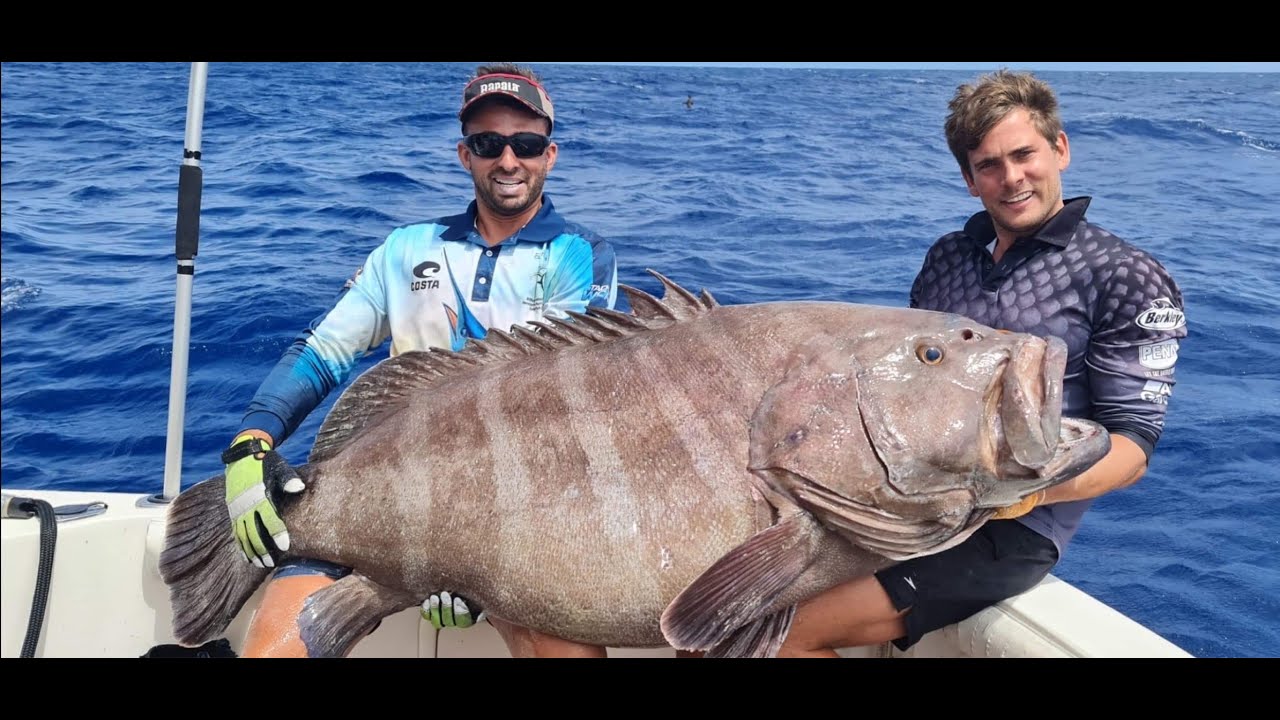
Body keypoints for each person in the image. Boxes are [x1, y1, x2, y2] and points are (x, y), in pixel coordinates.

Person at [775, 68, 1188, 657]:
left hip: (1011, 530)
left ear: (1060, 149)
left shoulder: (1123, 274)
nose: (1011, 178)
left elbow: (1133, 449)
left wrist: (1023, 496)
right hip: (904, 507)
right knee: (708, 621)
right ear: (969, 179)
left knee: (769, 637)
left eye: (1024, 155)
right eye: (989, 165)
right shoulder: (948, 256)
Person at [221, 62, 624, 658]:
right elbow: (323, 352)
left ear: (550, 155)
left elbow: (569, 408)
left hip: (520, 513)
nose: (508, 160)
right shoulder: (405, 248)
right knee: (273, 649)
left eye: (526, 143)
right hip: (383, 492)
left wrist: (475, 554)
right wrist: (253, 439)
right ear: (466, 155)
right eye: (489, 143)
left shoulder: (581, 256)